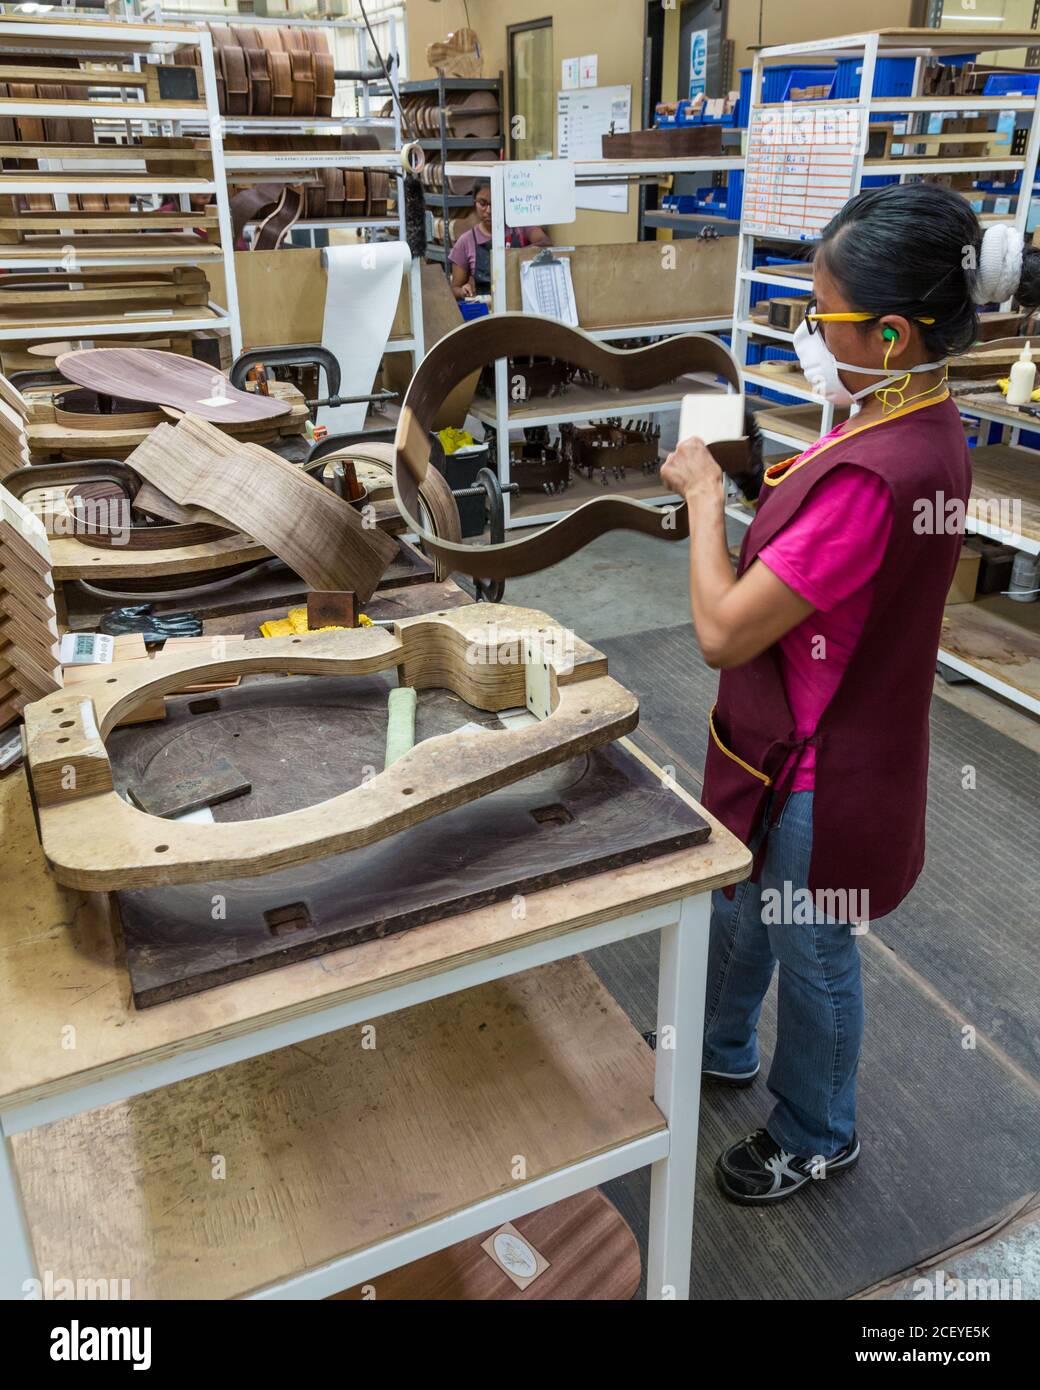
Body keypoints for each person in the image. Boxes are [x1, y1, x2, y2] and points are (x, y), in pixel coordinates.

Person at [661, 183, 1036, 1205]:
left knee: (810, 941)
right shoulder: (903, 417)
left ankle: (817, 1130)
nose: (802, 335)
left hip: (826, 767)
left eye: (815, 319)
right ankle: (725, 1044)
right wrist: (752, 494)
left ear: (891, 332)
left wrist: (702, 503)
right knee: (744, 907)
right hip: (787, 739)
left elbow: (719, 629)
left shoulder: (881, 470)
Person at [449, 179, 550, 300]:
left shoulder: (520, 228)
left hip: (523, 305)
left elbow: (545, 243)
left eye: (495, 203)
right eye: (482, 203)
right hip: (487, 311)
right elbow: (455, 289)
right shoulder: (466, 241)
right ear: (474, 202)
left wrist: (514, 256)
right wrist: (463, 291)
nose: (489, 211)